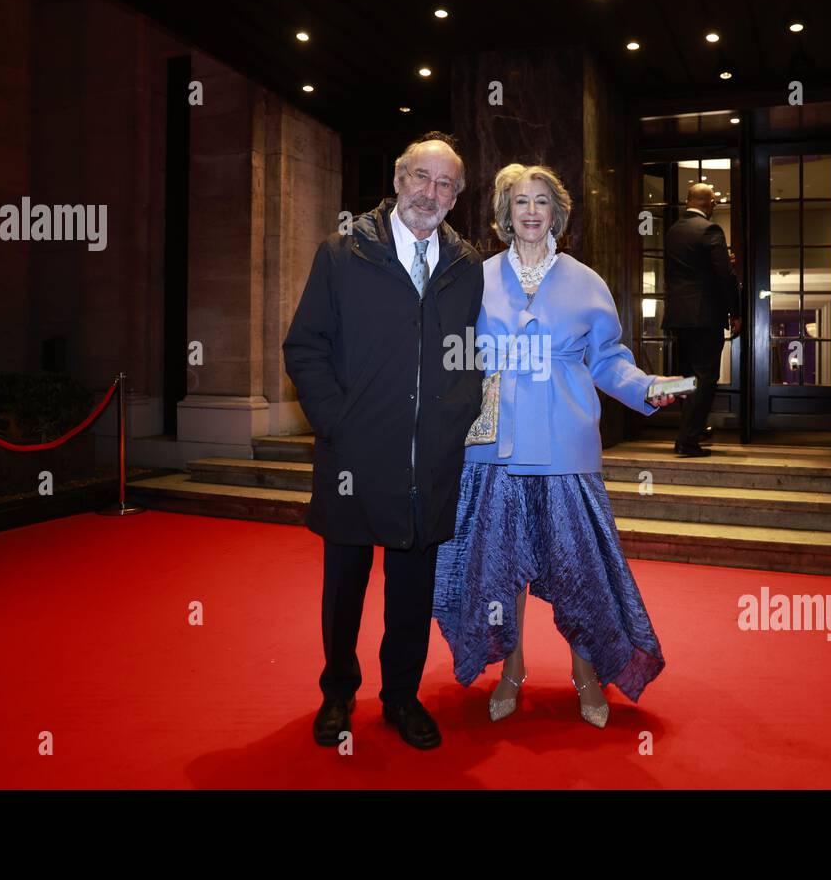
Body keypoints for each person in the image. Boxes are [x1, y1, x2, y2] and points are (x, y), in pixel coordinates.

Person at [432, 163, 672, 729]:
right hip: (496, 449)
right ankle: (511, 674)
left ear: (557, 212)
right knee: (501, 571)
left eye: (542, 201)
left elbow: (608, 361)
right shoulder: (477, 277)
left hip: (566, 447)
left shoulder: (586, 281)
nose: (532, 211)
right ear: (504, 214)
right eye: (521, 202)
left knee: (577, 571)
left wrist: (647, 388)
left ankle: (587, 677)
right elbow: (456, 355)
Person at [283, 133, 484, 750]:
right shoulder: (342, 253)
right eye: (421, 177)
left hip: (430, 459)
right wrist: (337, 422)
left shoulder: (466, 266)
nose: (431, 192)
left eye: (445, 183)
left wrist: (456, 418)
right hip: (353, 455)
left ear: (455, 198)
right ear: (398, 180)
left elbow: (469, 354)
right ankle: (338, 692)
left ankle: (401, 696)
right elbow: (305, 346)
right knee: (344, 584)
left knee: (412, 590)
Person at [661, 183, 742, 456]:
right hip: (705, 315)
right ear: (711, 204)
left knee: (686, 378)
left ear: (687, 202)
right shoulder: (710, 230)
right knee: (705, 376)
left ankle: (691, 428)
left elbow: (689, 270)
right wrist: (736, 312)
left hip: (678, 315)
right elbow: (725, 276)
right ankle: (688, 439)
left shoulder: (673, 231)